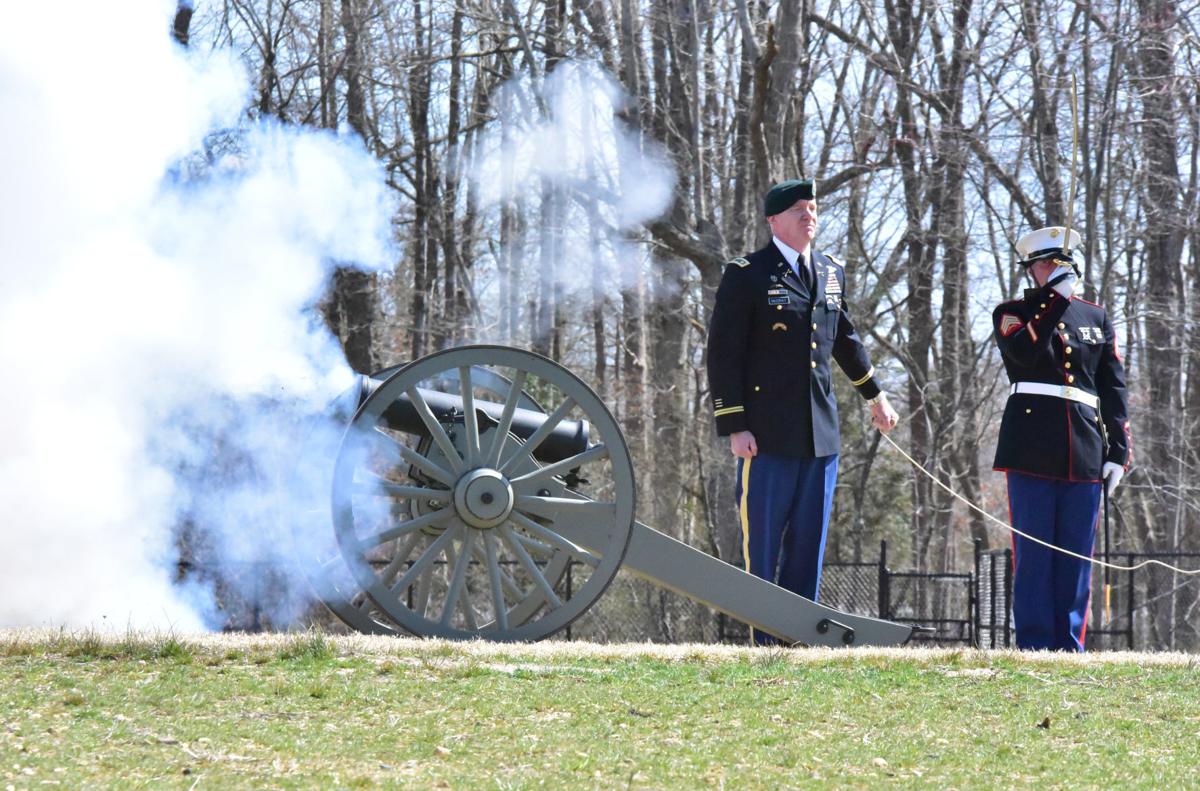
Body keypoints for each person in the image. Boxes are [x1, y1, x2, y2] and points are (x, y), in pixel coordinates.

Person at [706, 178, 899, 645]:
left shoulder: (831, 271)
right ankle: (764, 640)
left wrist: (876, 396)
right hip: (766, 434)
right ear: (774, 220)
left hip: (820, 434)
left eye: (812, 208)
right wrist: (734, 425)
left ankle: (800, 640)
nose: (808, 215)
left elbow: (845, 341)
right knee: (764, 543)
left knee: (808, 545)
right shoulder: (747, 273)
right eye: (797, 209)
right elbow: (723, 354)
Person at [992, 226, 1132, 651]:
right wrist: (1056, 299)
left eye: (1060, 264)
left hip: (1085, 449)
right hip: (1030, 445)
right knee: (1034, 555)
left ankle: (1069, 646)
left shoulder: (1096, 316)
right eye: (1046, 264)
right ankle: (1035, 645)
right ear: (1033, 270)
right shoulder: (1013, 311)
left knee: (1075, 557)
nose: (1052, 270)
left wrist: (1119, 452)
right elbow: (1024, 354)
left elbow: (1113, 388)